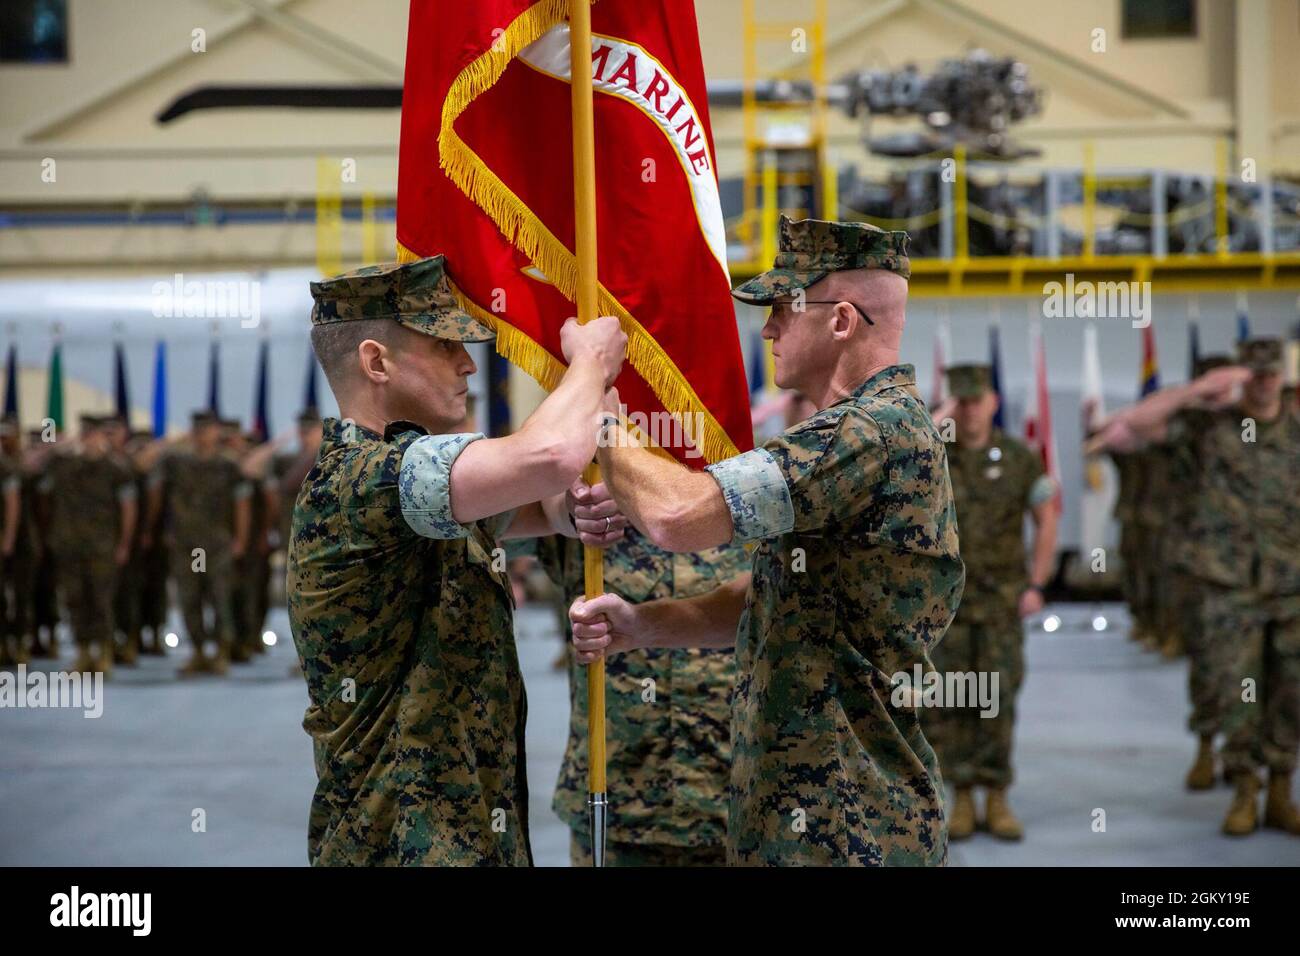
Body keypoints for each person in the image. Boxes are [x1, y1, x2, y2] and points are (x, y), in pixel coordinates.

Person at [571, 216, 964, 866]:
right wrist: (645, 626)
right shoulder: (864, 430)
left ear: (841, 321)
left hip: (844, 826)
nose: (769, 328)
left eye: (784, 308)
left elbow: (678, 514)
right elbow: (776, 597)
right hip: (811, 813)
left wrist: (600, 412)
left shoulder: (868, 434)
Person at [287, 255, 627, 866]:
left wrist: (570, 510)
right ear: (376, 362)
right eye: (444, 345)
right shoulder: (364, 478)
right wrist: (589, 363)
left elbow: (534, 501)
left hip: (466, 830)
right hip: (400, 842)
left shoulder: (410, 483)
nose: (468, 362)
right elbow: (546, 455)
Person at [1089, 338, 1299, 836]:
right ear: (1242, 376)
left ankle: (1283, 791)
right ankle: (1246, 787)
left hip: (1290, 587)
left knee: (1291, 690)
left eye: (1273, 375)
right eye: (1256, 374)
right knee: (1236, 690)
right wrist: (1197, 391)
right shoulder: (1207, 429)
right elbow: (1136, 425)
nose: (1265, 383)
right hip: (1228, 586)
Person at [539, 524, 748, 866]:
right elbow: (505, 517)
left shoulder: (750, 491)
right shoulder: (590, 499)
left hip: (738, 801)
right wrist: (570, 499)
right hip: (617, 806)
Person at [926, 364, 1058, 840]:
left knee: (997, 699)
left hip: (1002, 602)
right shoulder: (934, 456)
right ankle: (960, 795)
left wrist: (1037, 583)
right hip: (947, 607)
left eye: (976, 400)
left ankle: (996, 795)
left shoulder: (1019, 458)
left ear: (994, 401)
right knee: (949, 699)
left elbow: (1046, 517)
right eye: (960, 402)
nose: (970, 410)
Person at [146, 410, 251, 676]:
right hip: (188, 545)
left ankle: (221, 652)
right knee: (190, 596)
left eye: (208, 429)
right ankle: (198, 651)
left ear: (217, 432)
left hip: (216, 544)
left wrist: (240, 539)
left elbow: (242, 504)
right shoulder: (177, 461)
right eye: (198, 429)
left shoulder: (228, 464)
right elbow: (145, 467)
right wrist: (172, 440)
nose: (203, 435)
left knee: (219, 596)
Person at [42, 415, 137, 674]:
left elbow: (128, 508)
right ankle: (83, 653)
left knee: (101, 599)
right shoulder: (64, 464)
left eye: (95, 434)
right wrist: (62, 444)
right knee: (74, 599)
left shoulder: (115, 469)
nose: (91, 439)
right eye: (86, 434)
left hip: (102, 545)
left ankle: (104, 652)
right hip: (69, 544)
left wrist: (124, 543)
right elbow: (39, 472)